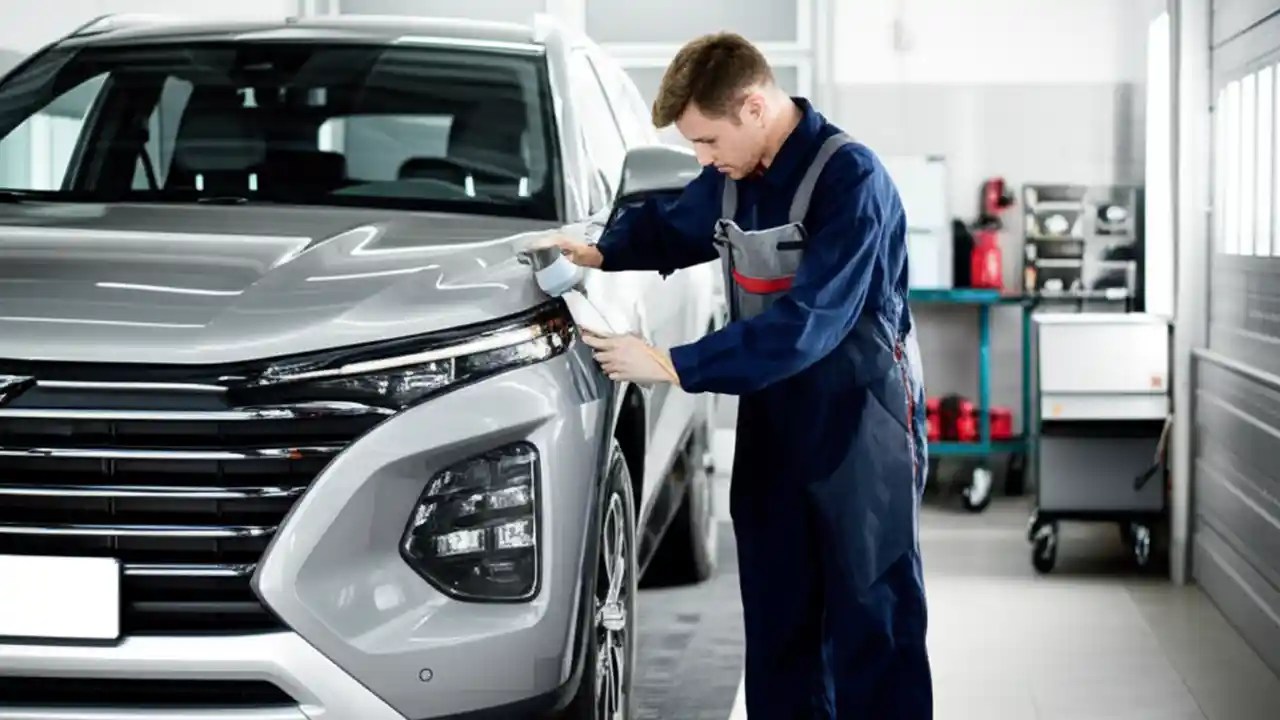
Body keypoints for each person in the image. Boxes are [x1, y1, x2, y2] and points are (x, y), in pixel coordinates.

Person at [548, 32, 932, 719]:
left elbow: (810, 321)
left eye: (706, 141)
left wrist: (671, 363)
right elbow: (675, 225)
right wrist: (598, 251)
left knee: (872, 619)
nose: (701, 159)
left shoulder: (851, 181)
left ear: (754, 106)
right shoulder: (733, 176)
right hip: (774, 420)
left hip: (860, 424)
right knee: (779, 616)